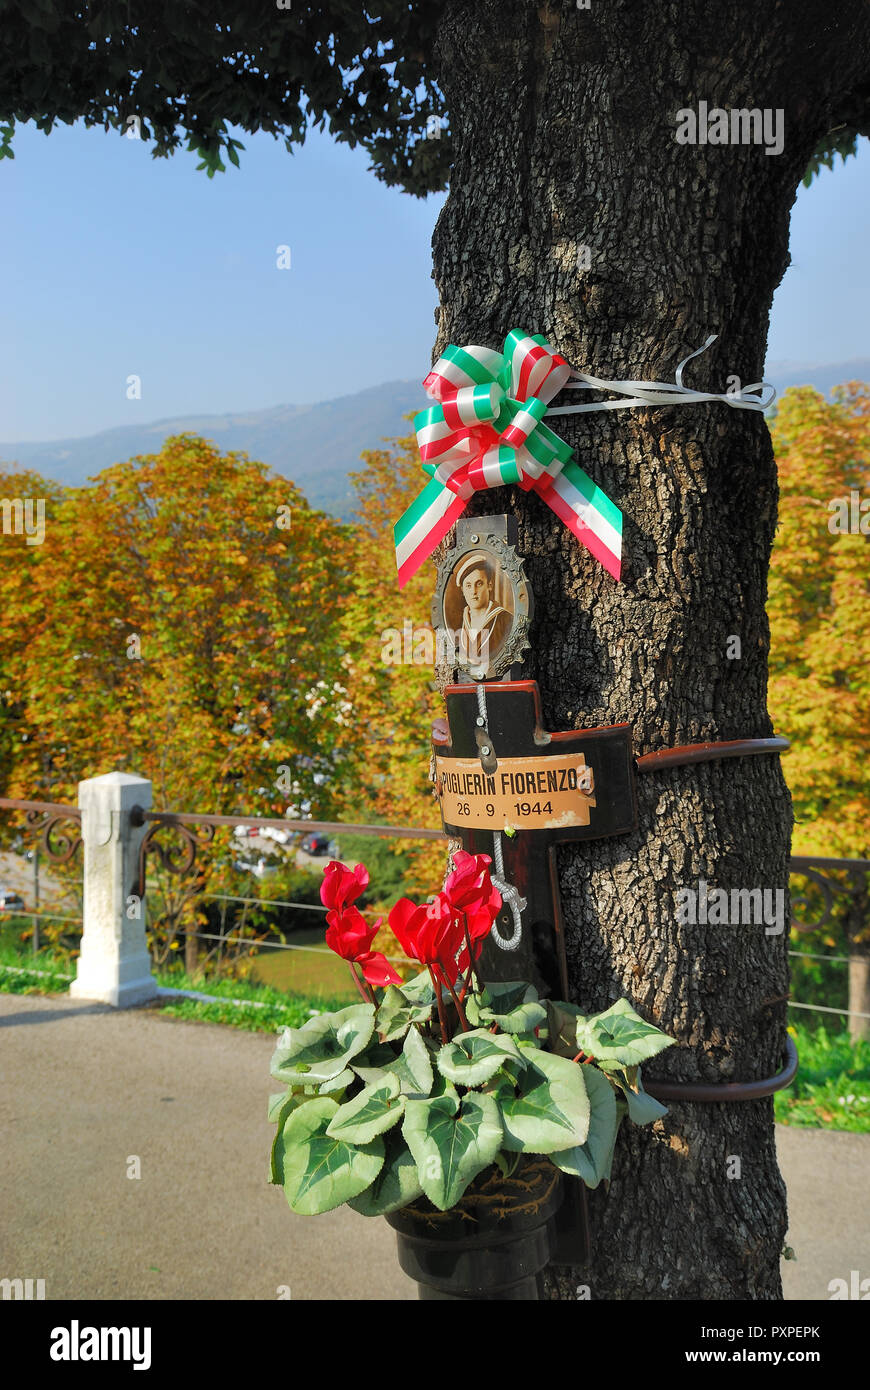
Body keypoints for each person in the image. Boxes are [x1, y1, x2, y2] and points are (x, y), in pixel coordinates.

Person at [454, 553, 512, 667]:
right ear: (463, 591)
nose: (473, 591)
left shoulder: (505, 619)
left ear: (489, 585)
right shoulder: (458, 624)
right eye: (468, 586)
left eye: (479, 584)